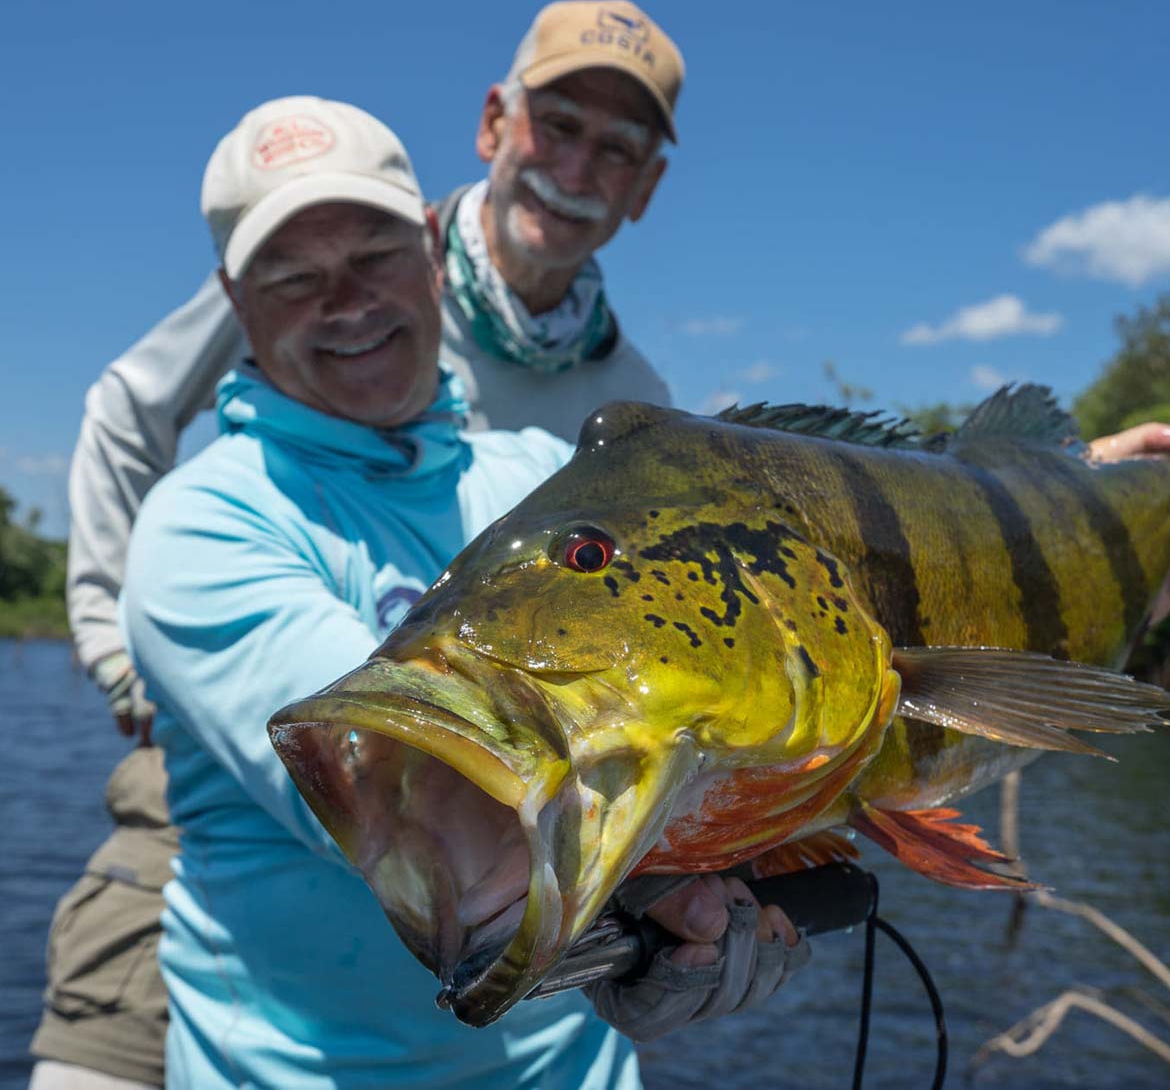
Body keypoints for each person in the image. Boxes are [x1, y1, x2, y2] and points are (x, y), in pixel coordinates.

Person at [39, 95, 802, 1090]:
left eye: (373, 255)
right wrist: (659, 900)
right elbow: (410, 782)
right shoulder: (200, 525)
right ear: (236, 301)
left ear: (434, 252)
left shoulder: (546, 473)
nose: (346, 301)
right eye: (294, 275)